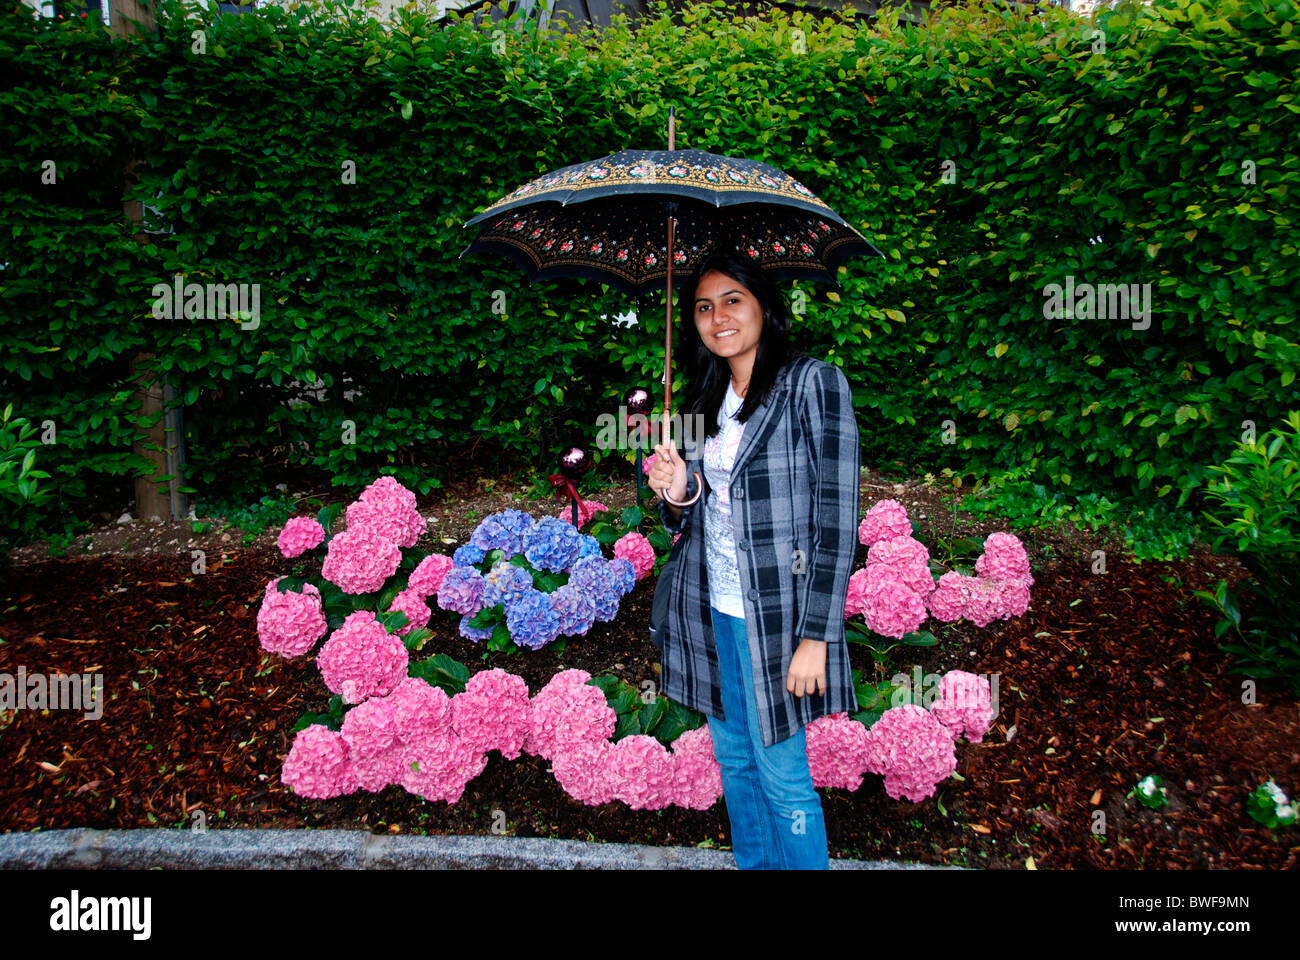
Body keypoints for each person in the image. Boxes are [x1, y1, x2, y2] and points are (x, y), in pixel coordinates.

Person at [647, 247, 861, 870]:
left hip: (780, 617)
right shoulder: (704, 399)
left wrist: (816, 636)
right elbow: (689, 512)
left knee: (784, 775)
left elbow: (837, 519)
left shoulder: (812, 384)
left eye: (732, 301)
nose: (718, 319)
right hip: (711, 607)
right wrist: (678, 487)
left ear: (765, 305)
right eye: (704, 307)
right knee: (736, 761)